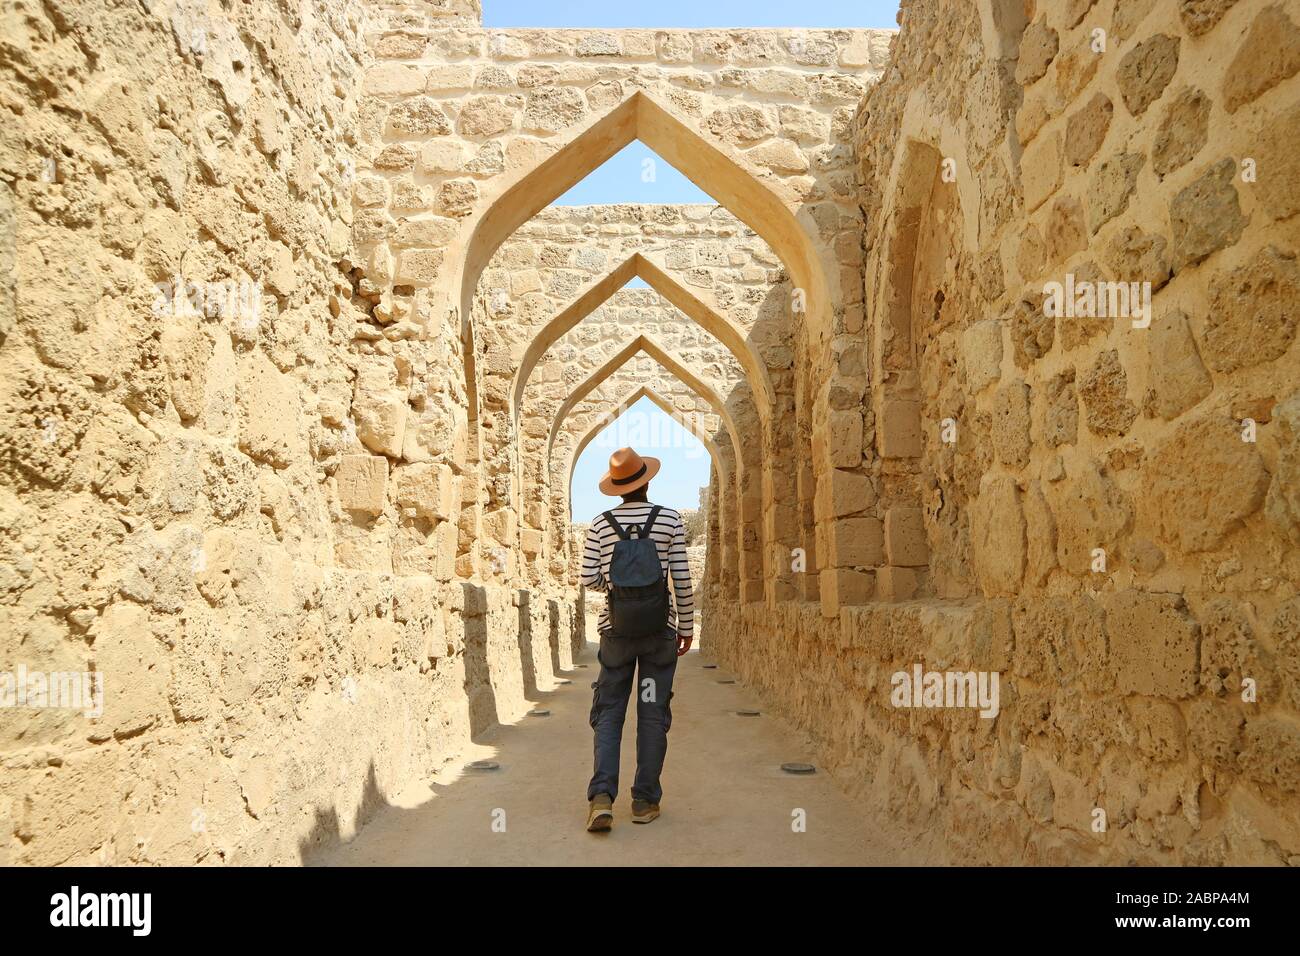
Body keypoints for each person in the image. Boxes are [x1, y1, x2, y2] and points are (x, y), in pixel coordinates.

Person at [580, 447, 694, 831]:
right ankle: (644, 801)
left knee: (610, 712)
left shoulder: (599, 524)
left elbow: (587, 578)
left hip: (616, 633)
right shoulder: (669, 521)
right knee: (651, 713)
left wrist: (615, 585)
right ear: (647, 481)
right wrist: (687, 626)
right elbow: (680, 577)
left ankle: (601, 798)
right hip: (658, 633)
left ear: (616, 488)